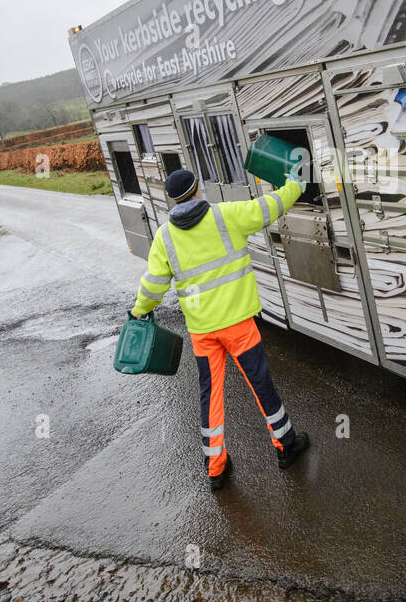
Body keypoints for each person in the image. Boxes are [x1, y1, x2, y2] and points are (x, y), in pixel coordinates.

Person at [132, 169, 310, 490]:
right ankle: (285, 445)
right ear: (197, 189)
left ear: (172, 200)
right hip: (238, 323)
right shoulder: (226, 215)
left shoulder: (165, 237)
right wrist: (296, 184)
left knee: (210, 395)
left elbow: (154, 284)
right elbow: (268, 207)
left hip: (203, 332)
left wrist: (138, 311)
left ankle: (215, 468)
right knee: (260, 384)